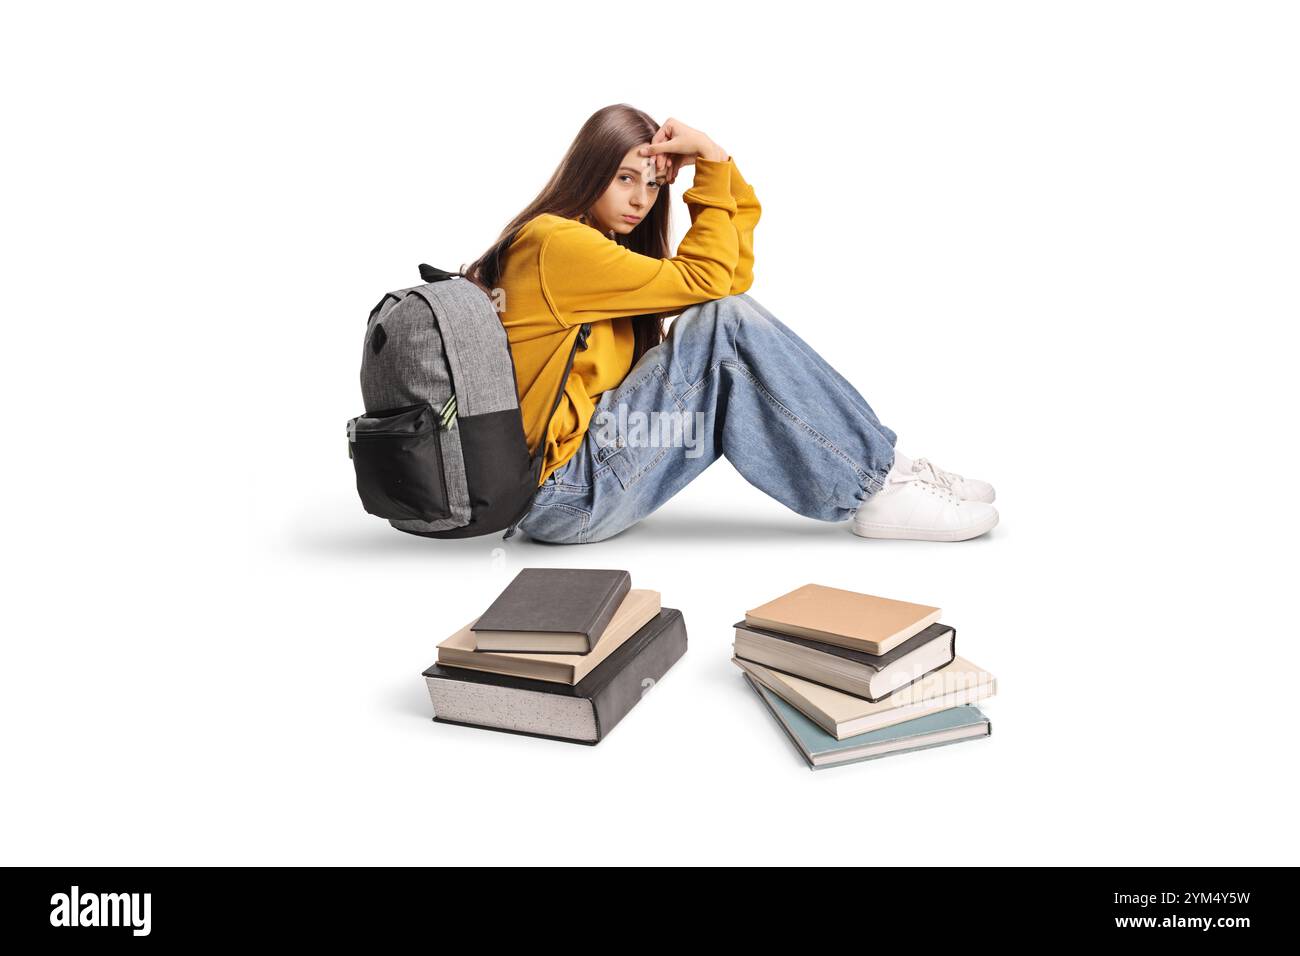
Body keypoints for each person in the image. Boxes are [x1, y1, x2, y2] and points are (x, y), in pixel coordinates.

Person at [461, 104, 998, 544]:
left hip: (583, 481)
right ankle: (878, 484)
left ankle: (890, 471)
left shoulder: (597, 252)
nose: (640, 199)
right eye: (624, 178)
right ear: (588, 171)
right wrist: (712, 163)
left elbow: (731, 273)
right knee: (722, 322)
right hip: (567, 493)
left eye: (651, 185)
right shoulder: (557, 242)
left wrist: (719, 169)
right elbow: (716, 287)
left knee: (722, 316)